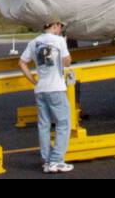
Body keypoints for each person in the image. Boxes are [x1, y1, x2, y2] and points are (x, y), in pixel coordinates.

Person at [19, 19, 74, 172]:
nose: (61, 30)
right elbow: (67, 62)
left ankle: (47, 160)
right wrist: (64, 44)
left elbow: (22, 62)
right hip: (56, 87)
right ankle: (57, 160)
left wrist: (33, 80)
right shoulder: (58, 40)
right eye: (60, 27)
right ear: (55, 25)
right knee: (63, 124)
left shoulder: (34, 42)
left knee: (44, 125)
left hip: (41, 88)